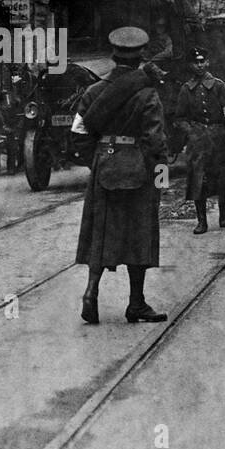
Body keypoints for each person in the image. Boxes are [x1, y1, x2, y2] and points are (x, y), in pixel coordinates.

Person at [71, 27, 168, 325]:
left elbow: (78, 134)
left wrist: (97, 161)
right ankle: (136, 303)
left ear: (113, 56)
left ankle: (91, 293)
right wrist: (161, 179)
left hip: (104, 167)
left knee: (100, 233)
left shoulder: (92, 91)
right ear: (141, 57)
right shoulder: (148, 93)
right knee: (139, 235)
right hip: (138, 169)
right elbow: (156, 142)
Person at [173, 47, 225, 234]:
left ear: (208, 62)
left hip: (218, 137)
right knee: (197, 178)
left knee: (222, 176)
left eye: (202, 61)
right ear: (191, 65)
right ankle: (202, 221)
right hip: (197, 140)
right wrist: (191, 132)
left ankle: (223, 207)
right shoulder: (186, 89)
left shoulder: (219, 85)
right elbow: (179, 118)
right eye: (196, 62)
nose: (199, 65)